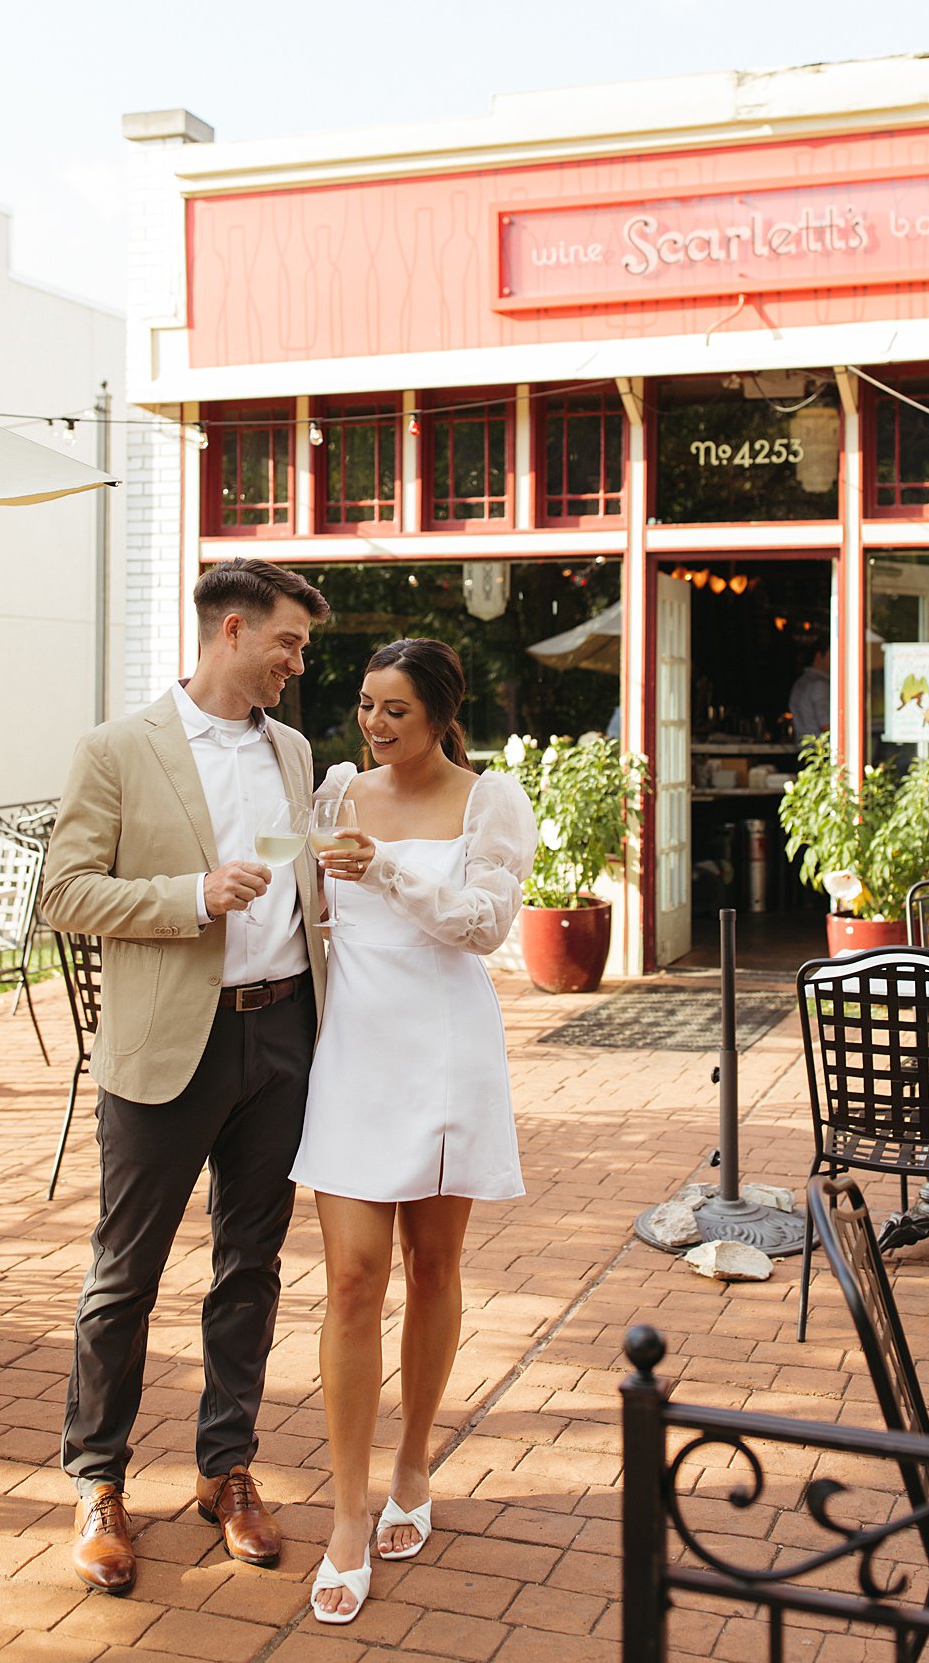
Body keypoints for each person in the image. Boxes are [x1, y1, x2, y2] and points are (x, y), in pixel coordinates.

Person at [42, 557, 330, 1597]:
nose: (300, 663)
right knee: (126, 1271)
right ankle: (98, 1480)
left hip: (283, 1035)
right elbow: (64, 892)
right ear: (235, 630)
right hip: (171, 1041)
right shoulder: (119, 749)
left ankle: (226, 1467)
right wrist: (190, 894)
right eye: (290, 642)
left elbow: (291, 865)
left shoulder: (293, 749)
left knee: (251, 1265)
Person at [291, 637, 536, 1627]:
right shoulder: (335, 787)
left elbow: (484, 925)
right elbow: (301, 900)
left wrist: (387, 867)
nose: (374, 724)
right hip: (352, 1050)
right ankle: (347, 1510)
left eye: (395, 709)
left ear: (441, 713)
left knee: (433, 1268)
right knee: (352, 1279)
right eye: (364, 704)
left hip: (444, 1052)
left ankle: (412, 1459)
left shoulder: (492, 800)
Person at [789, 641, 831, 743]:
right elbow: (826, 726)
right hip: (819, 753)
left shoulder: (800, 683)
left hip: (803, 751)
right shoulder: (819, 684)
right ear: (819, 656)